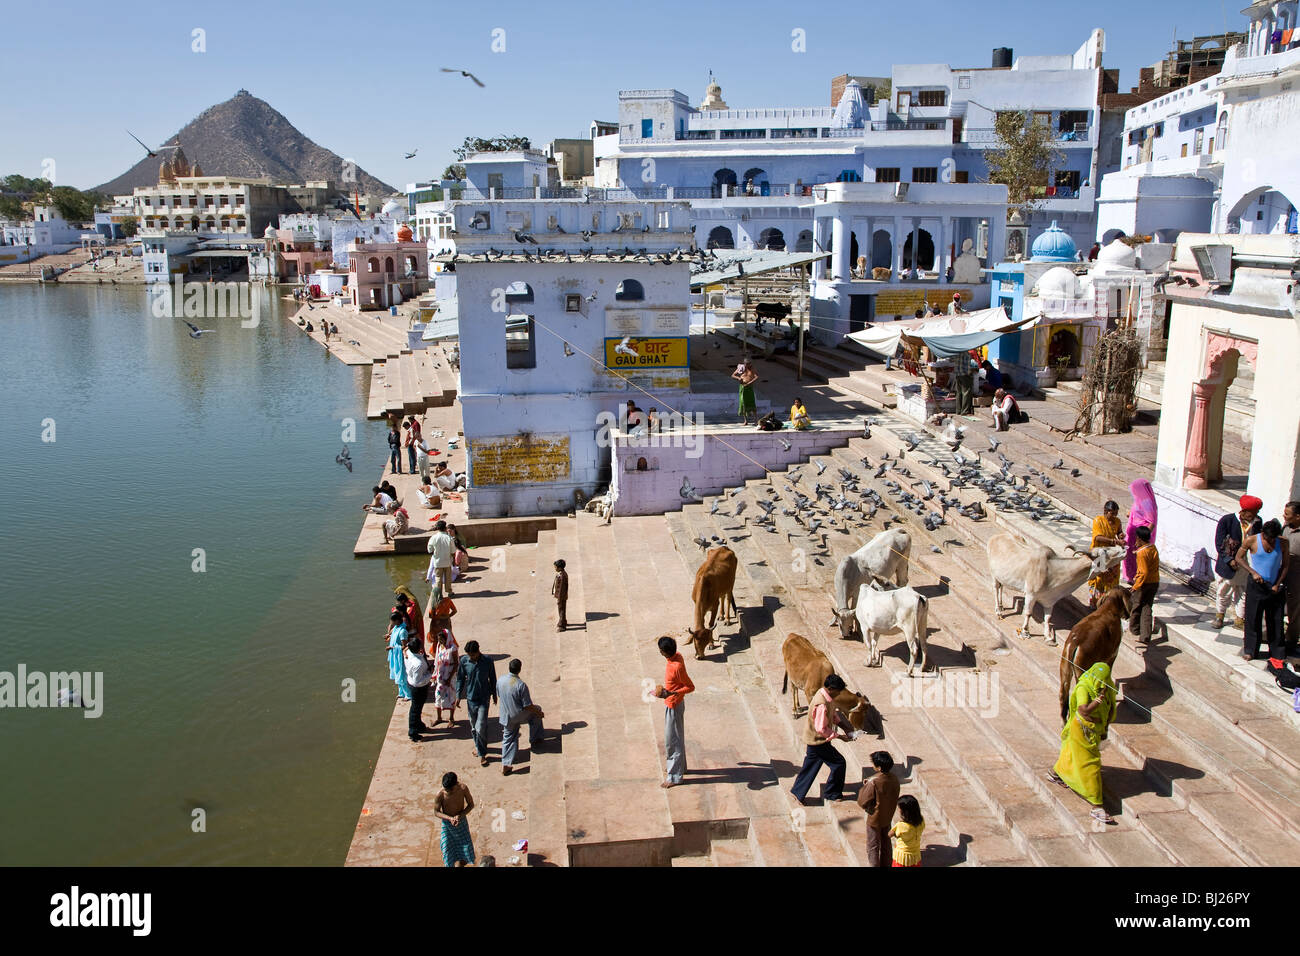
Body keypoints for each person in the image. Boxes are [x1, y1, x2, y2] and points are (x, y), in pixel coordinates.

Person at [1048, 661, 1117, 825]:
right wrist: (1097, 702)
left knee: (1070, 754)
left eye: (1106, 679)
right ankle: (1097, 806)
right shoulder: (1083, 688)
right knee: (1090, 766)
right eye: (1101, 679)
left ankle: (1056, 773)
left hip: (1093, 731)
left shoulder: (1104, 686)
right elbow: (1083, 711)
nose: (1103, 682)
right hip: (1082, 730)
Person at [790, 674, 857, 805]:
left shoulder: (827, 697)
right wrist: (839, 736)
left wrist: (844, 726)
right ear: (831, 688)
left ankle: (797, 792)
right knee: (839, 763)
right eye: (838, 692)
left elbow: (833, 715)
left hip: (815, 739)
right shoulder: (821, 704)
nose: (838, 695)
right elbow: (821, 728)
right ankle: (832, 793)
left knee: (810, 765)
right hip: (818, 740)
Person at [1237, 519, 1289, 662]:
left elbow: (1285, 565)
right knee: (1253, 618)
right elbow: (1239, 557)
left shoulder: (1283, 542)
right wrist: (1252, 572)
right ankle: (1251, 650)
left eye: (1273, 538)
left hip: (1274, 585)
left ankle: (1277, 652)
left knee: (1276, 619)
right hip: (1256, 584)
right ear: (1263, 533)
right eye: (1268, 538)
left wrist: (1278, 583)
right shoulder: (1251, 540)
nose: (1271, 541)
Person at [1213, 495, 1263, 629]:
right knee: (1224, 590)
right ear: (1244, 511)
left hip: (1246, 563)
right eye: (1253, 513)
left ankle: (1240, 618)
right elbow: (1219, 543)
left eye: (1256, 513)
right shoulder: (1227, 520)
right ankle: (1220, 615)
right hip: (1229, 564)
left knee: (1243, 590)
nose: (1254, 516)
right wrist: (1229, 560)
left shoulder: (1257, 523)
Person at [652, 635, 694, 789]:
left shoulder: (677, 666)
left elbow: (690, 687)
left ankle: (674, 777)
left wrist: (671, 693)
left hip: (674, 705)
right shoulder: (676, 658)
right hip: (672, 703)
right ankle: (680, 768)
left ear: (664, 652)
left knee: (672, 742)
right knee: (677, 737)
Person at [497, 659, 546, 775]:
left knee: (508, 737)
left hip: (506, 715)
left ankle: (506, 764)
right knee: (536, 712)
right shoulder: (521, 685)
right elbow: (528, 705)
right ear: (519, 669)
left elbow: (499, 695)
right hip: (518, 714)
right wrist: (539, 713)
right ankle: (535, 738)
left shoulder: (500, 680)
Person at [456, 641, 498, 767]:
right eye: (469, 655)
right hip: (471, 698)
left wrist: (494, 694)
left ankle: (482, 754)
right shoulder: (464, 661)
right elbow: (460, 678)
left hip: (484, 698)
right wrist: (458, 695)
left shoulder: (487, 661)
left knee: (481, 725)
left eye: (472, 655)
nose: (471, 657)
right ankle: (479, 746)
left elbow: (493, 678)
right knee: (474, 726)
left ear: (478, 651)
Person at [857, 750, 900, 868]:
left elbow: (862, 801)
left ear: (879, 767)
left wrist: (866, 787)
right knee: (886, 843)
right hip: (888, 814)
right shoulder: (894, 778)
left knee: (873, 845)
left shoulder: (874, 782)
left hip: (874, 818)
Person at [433, 772, 476, 867]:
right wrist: (449, 818)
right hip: (447, 826)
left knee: (466, 850)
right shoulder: (440, 795)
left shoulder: (463, 788)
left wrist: (460, 815)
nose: (447, 791)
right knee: (447, 849)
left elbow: (471, 804)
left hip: (462, 823)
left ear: (456, 784)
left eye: (449, 789)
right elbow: (436, 812)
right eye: (446, 789)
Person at [1123, 479, 1159, 586]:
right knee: (1130, 556)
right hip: (1133, 534)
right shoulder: (1139, 500)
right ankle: (1131, 577)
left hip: (1140, 536)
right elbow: (1137, 511)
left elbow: (1152, 522)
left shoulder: (1148, 503)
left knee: (1139, 558)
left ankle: (1139, 581)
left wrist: (1143, 539)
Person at [1129, 526, 1160, 646]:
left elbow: (1144, 572)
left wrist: (1136, 586)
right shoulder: (1152, 547)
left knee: (1136, 606)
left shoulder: (1142, 553)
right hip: (1154, 582)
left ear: (1139, 538)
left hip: (1144, 584)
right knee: (1147, 607)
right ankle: (1145, 636)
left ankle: (1135, 629)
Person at [403, 634, 433, 741]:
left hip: (411, 683)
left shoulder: (408, 653)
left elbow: (405, 649)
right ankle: (413, 732)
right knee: (415, 709)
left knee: (417, 708)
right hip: (418, 688)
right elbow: (418, 681)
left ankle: (419, 725)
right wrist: (430, 674)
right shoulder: (418, 664)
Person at [431, 627, 460, 726]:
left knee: (451, 696)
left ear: (447, 638)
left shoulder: (453, 648)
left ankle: (451, 718)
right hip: (440, 677)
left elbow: (456, 664)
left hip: (450, 677)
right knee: (438, 696)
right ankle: (439, 718)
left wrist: (449, 678)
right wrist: (435, 674)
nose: (440, 641)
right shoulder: (440, 646)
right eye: (439, 639)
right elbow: (436, 660)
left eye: (441, 639)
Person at [1283, 502, 1300, 658]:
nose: (1284, 516)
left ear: (1297, 516)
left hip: (1296, 578)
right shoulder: (1285, 528)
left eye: (1287, 514)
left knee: (1294, 612)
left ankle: (1291, 641)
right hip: (1281, 574)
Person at [889, 795, 925, 867]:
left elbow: (890, 834)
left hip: (901, 857)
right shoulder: (922, 822)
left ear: (905, 812)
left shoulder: (901, 826)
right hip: (915, 856)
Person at [386, 611, 412, 702]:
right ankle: (401, 693)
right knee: (397, 673)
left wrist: (392, 647)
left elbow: (404, 646)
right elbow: (391, 634)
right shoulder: (396, 628)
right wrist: (388, 636)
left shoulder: (402, 631)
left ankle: (408, 694)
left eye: (392, 621)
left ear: (397, 620)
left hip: (400, 656)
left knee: (402, 675)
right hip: (395, 655)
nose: (391, 623)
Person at [427, 520, 454, 597]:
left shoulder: (433, 538)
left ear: (437, 528)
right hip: (447, 561)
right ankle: (449, 592)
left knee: (438, 578)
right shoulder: (449, 538)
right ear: (445, 528)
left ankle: (439, 594)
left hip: (437, 562)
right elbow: (453, 551)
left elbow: (430, 550)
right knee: (448, 578)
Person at [732, 361, 759, 426]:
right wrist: (738, 378)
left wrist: (750, 383)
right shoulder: (741, 368)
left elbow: (756, 377)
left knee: (751, 402)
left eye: (750, 364)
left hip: (749, 388)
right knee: (743, 403)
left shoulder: (752, 369)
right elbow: (733, 375)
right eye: (747, 364)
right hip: (743, 387)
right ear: (744, 364)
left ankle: (756, 420)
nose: (749, 365)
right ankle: (745, 421)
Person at [952, 348, 978, 416]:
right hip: (965, 375)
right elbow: (968, 368)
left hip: (958, 375)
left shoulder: (957, 353)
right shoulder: (967, 354)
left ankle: (958, 410)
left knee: (959, 392)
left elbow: (952, 361)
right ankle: (965, 411)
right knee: (966, 392)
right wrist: (970, 374)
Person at [552, 558, 569, 631]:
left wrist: (559, 598)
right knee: (562, 609)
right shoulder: (561, 573)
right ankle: (563, 621)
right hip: (561, 595)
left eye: (556, 567)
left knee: (561, 609)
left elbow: (562, 588)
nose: (555, 568)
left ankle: (562, 625)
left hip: (561, 596)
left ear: (560, 568)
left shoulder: (562, 576)